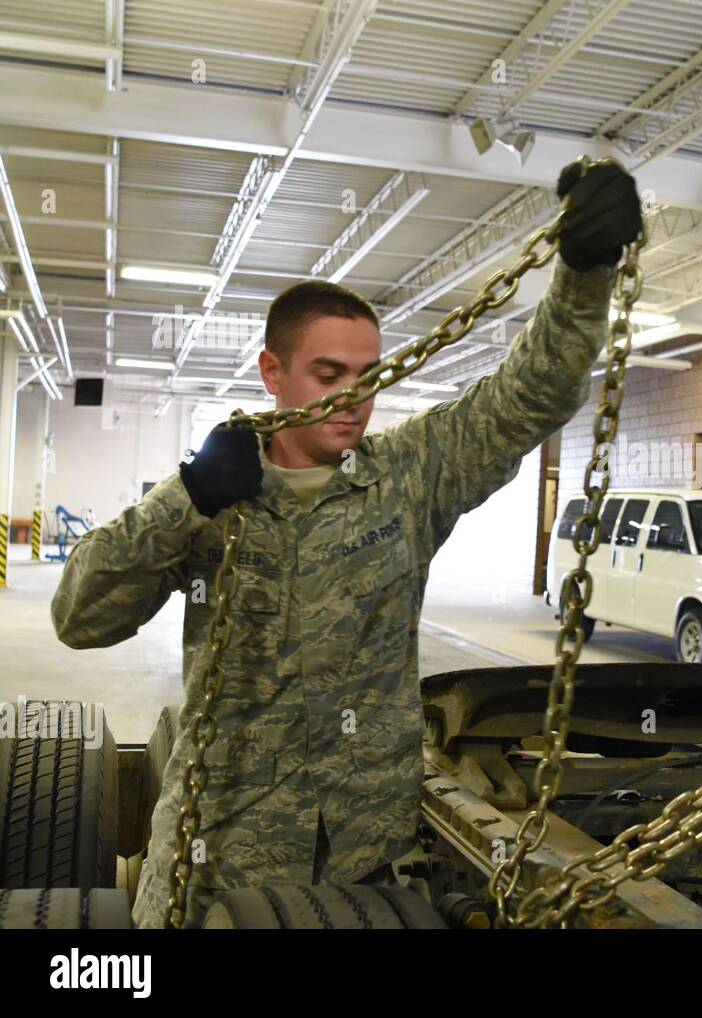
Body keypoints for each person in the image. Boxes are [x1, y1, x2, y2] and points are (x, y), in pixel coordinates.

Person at [51, 160, 643, 928]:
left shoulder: (410, 476)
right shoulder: (214, 497)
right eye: (328, 373)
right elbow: (80, 617)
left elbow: (529, 394)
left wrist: (583, 272)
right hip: (219, 860)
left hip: (365, 869)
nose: (352, 400)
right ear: (274, 372)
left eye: (368, 376)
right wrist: (184, 499)